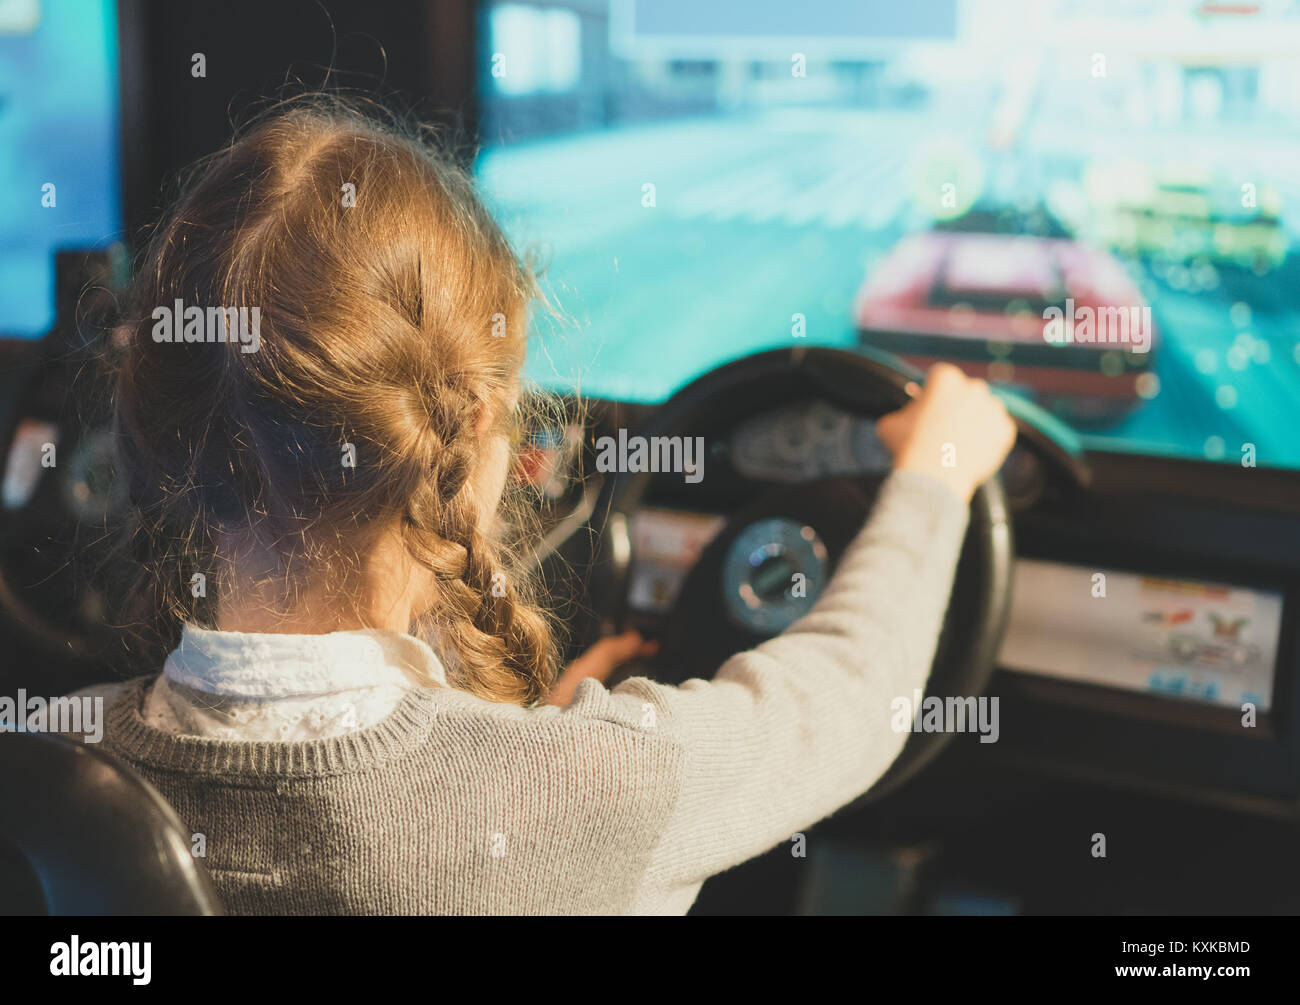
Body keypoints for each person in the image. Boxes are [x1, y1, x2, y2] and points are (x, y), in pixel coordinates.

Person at [74, 99, 1016, 914]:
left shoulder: (46, 756)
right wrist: (935, 477)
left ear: (157, 425)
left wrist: (536, 746)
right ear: (475, 423)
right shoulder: (589, 795)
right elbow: (852, 699)